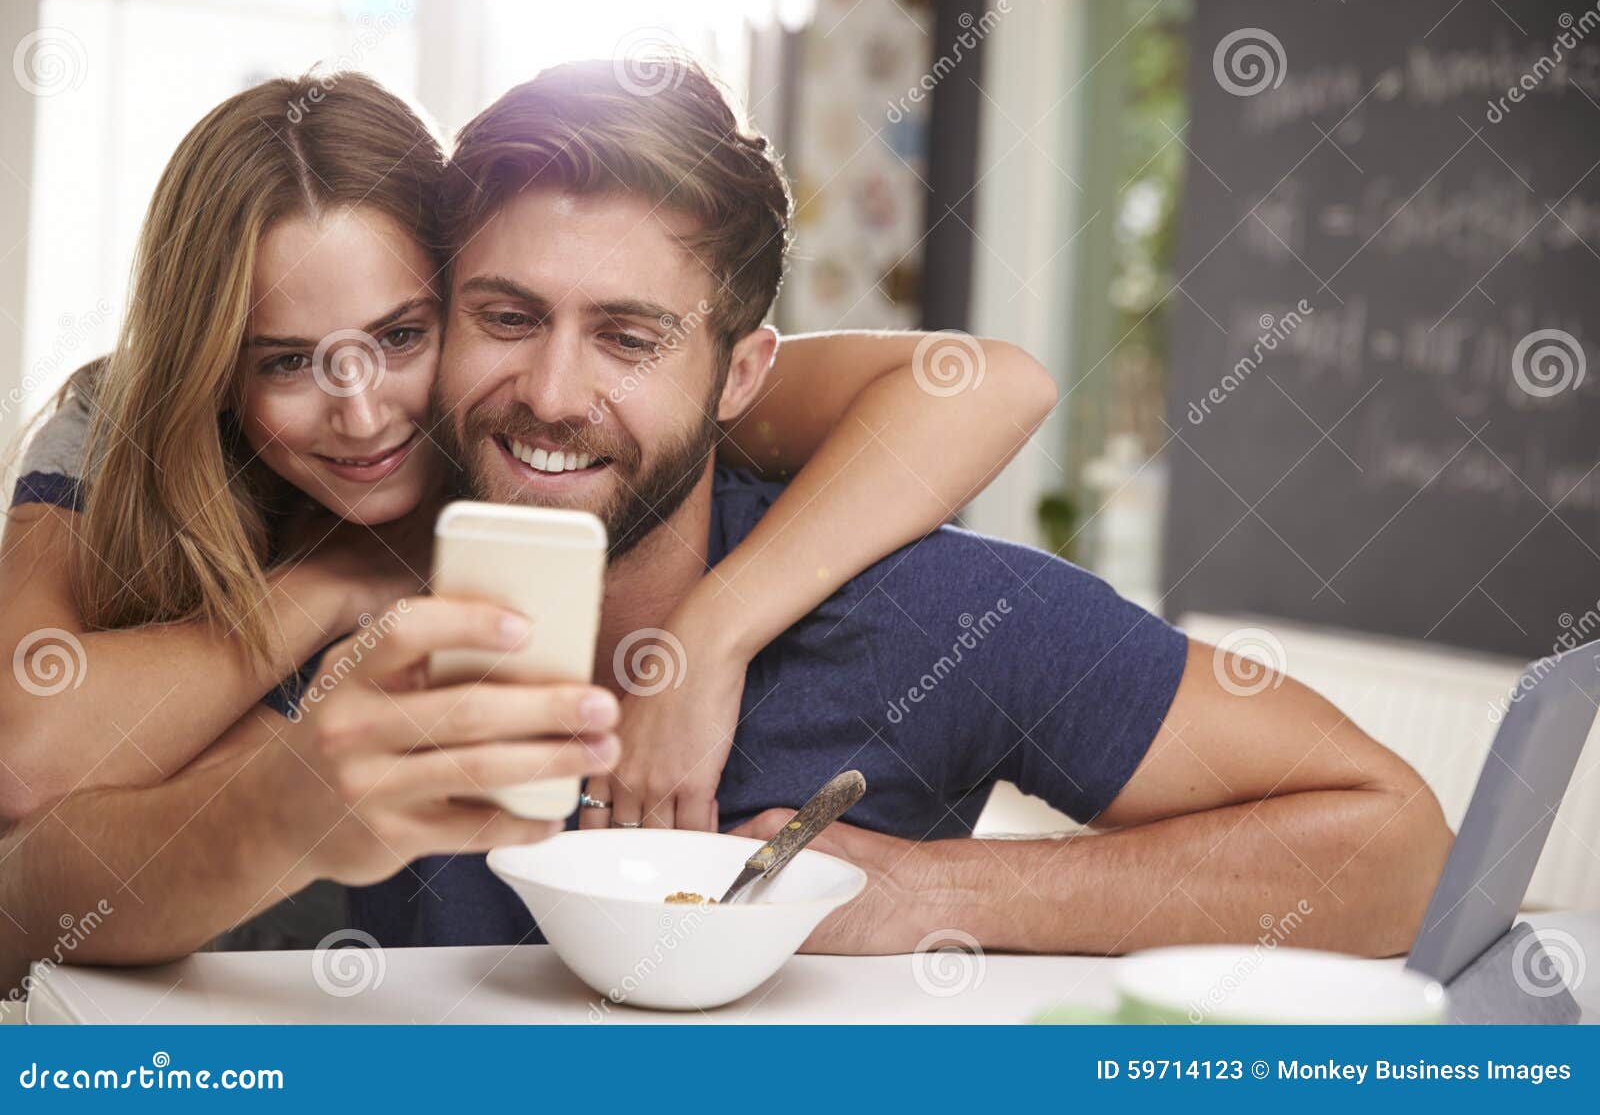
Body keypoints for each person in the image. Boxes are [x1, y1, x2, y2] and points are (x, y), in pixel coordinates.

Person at [0, 58, 1451, 986]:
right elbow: (31, 903)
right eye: (504, 318)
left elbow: (1394, 845)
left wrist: (936, 893)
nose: (549, 392)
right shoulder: (347, 576)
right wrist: (283, 806)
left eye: (629, 336)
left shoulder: (926, 615)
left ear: (743, 371)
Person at [0, 69, 1055, 844]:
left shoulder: (568, 388)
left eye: (405, 334)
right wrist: (332, 585)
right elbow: (25, 752)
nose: (363, 415)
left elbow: (993, 384)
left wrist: (710, 633)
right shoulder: (121, 418)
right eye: (285, 359)